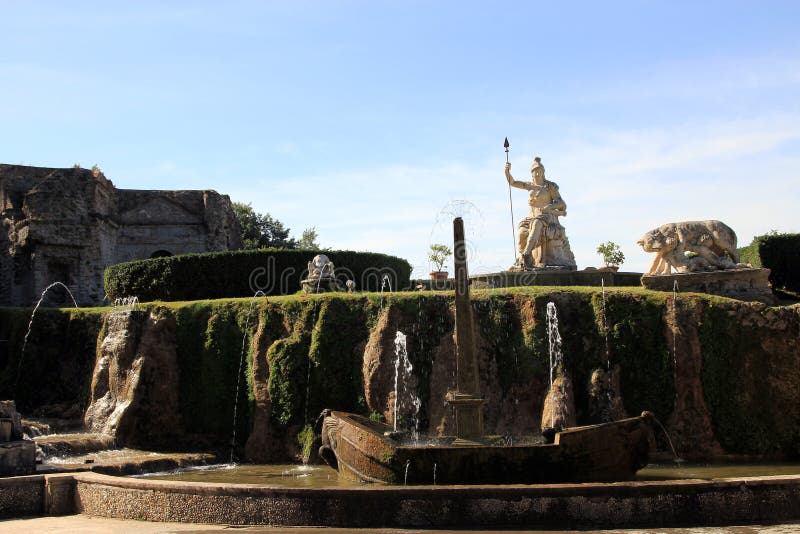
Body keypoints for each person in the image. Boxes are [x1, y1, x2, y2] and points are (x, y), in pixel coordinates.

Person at [505, 157, 575, 270]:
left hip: (547, 216)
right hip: (531, 217)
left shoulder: (549, 186)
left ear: (543, 173)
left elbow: (562, 204)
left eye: (539, 171)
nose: (537, 174)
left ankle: (527, 254)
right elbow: (512, 183)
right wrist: (507, 171)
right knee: (522, 232)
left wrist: (550, 207)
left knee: (537, 223)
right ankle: (525, 260)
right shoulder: (530, 186)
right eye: (534, 172)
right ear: (531, 174)